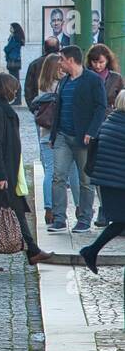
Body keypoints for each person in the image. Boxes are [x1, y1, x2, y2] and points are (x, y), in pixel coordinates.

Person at [0, 74, 51, 271]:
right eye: (14, 89)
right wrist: (0, 175)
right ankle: (32, 251)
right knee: (9, 210)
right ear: (6, 90)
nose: (16, 92)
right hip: (1, 172)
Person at [49, 45, 106, 233]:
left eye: (61, 59)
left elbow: (100, 107)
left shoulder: (93, 80)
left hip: (83, 139)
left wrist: (92, 131)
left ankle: (84, 219)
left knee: (85, 180)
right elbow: (58, 109)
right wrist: (53, 134)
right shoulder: (64, 81)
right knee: (58, 177)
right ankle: (58, 218)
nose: (59, 62)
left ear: (71, 60)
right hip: (63, 137)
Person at [30, 53, 79, 227]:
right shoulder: (64, 85)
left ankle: (49, 210)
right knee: (73, 171)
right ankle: (80, 207)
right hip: (62, 134)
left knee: (51, 171)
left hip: (46, 133)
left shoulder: (43, 85)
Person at [81, 91, 125, 274]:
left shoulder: (111, 121)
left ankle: (91, 251)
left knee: (120, 222)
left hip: (110, 182)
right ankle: (91, 251)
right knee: (120, 222)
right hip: (118, 183)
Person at [24, 37, 60, 108]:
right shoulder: (63, 63)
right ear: (59, 47)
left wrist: (32, 107)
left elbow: (28, 88)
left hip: (40, 106)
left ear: (44, 48)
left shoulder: (34, 64)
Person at [86, 43, 124, 109]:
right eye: (94, 62)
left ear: (107, 61)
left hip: (109, 117)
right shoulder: (85, 77)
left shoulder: (116, 78)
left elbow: (122, 101)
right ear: (90, 61)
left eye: (101, 62)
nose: (98, 66)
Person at [4, 23, 25, 100]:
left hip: (13, 60)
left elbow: (8, 48)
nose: (10, 29)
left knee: (14, 79)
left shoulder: (15, 37)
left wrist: (5, 49)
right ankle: (17, 97)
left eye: (11, 27)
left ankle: (17, 98)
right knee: (15, 79)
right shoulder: (15, 37)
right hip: (15, 60)